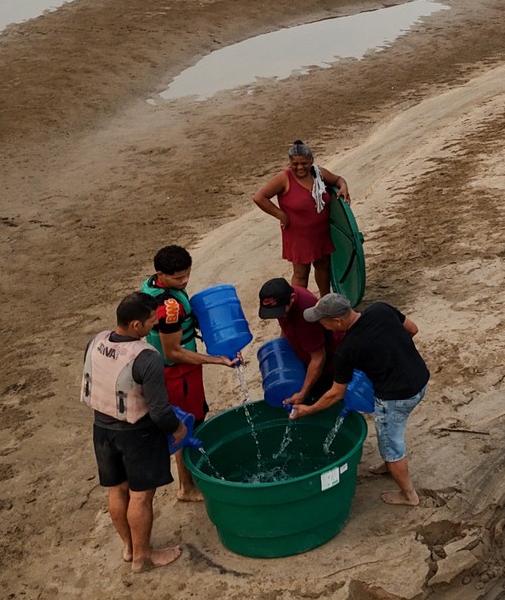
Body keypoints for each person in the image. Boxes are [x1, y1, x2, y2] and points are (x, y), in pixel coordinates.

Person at [289, 293, 430, 507]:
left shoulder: (347, 351)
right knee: (389, 436)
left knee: (392, 447)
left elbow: (336, 394)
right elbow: (412, 329)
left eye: (322, 322)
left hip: (396, 398)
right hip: (420, 379)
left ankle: (408, 495)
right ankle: (388, 462)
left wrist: (309, 410)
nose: (321, 326)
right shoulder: (380, 308)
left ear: (337, 321)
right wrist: (390, 355)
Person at [82, 293, 185, 572]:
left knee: (117, 489)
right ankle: (143, 556)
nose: (155, 324)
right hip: (136, 433)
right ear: (136, 325)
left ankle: (129, 547)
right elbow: (160, 410)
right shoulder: (146, 357)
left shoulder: (96, 341)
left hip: (102, 428)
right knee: (141, 495)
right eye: (152, 320)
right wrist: (178, 428)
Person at [139, 245, 241, 502]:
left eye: (187, 275)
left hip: (180, 371)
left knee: (194, 418)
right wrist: (217, 359)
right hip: (177, 373)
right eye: (178, 278)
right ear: (160, 273)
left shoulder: (153, 285)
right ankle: (186, 487)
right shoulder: (169, 307)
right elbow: (173, 352)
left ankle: (191, 478)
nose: (184, 281)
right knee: (186, 424)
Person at [252, 140, 350, 296]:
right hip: (298, 235)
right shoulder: (284, 178)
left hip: (321, 232)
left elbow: (339, 180)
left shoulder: (319, 173)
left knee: (323, 267)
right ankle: (300, 304)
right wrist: (281, 215)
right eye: (294, 164)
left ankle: (326, 301)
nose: (299, 167)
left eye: (303, 163)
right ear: (289, 163)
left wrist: (343, 187)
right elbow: (259, 197)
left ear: (311, 161)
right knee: (301, 273)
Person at [257, 276, 344, 406]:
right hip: (306, 356)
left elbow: (319, 358)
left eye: (279, 311)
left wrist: (303, 392)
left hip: (328, 365)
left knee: (320, 402)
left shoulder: (305, 315)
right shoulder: (282, 303)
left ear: (292, 298)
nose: (278, 315)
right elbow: (285, 329)